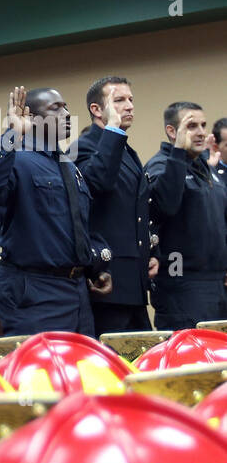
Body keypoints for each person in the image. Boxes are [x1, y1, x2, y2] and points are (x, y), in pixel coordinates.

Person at [0, 86, 112, 337]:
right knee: (41, 373)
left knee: (78, 370)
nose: (67, 113)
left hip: (76, 290)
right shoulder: (18, 158)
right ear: (32, 118)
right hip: (34, 291)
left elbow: (78, 224)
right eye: (55, 108)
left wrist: (96, 267)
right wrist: (12, 133)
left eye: (66, 107)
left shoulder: (68, 164)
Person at [68, 76, 156, 334]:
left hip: (133, 279)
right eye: (119, 100)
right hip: (107, 279)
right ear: (96, 110)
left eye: (131, 100)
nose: (129, 106)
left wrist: (150, 255)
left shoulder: (125, 150)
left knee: (140, 361)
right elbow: (98, 183)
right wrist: (114, 131)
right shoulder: (82, 147)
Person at [144, 102, 227, 330]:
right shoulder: (161, 166)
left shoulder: (204, 168)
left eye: (203, 125)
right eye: (191, 126)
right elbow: (167, 205)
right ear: (172, 131)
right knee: (192, 362)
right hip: (181, 283)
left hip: (216, 283)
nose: (201, 132)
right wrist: (179, 150)